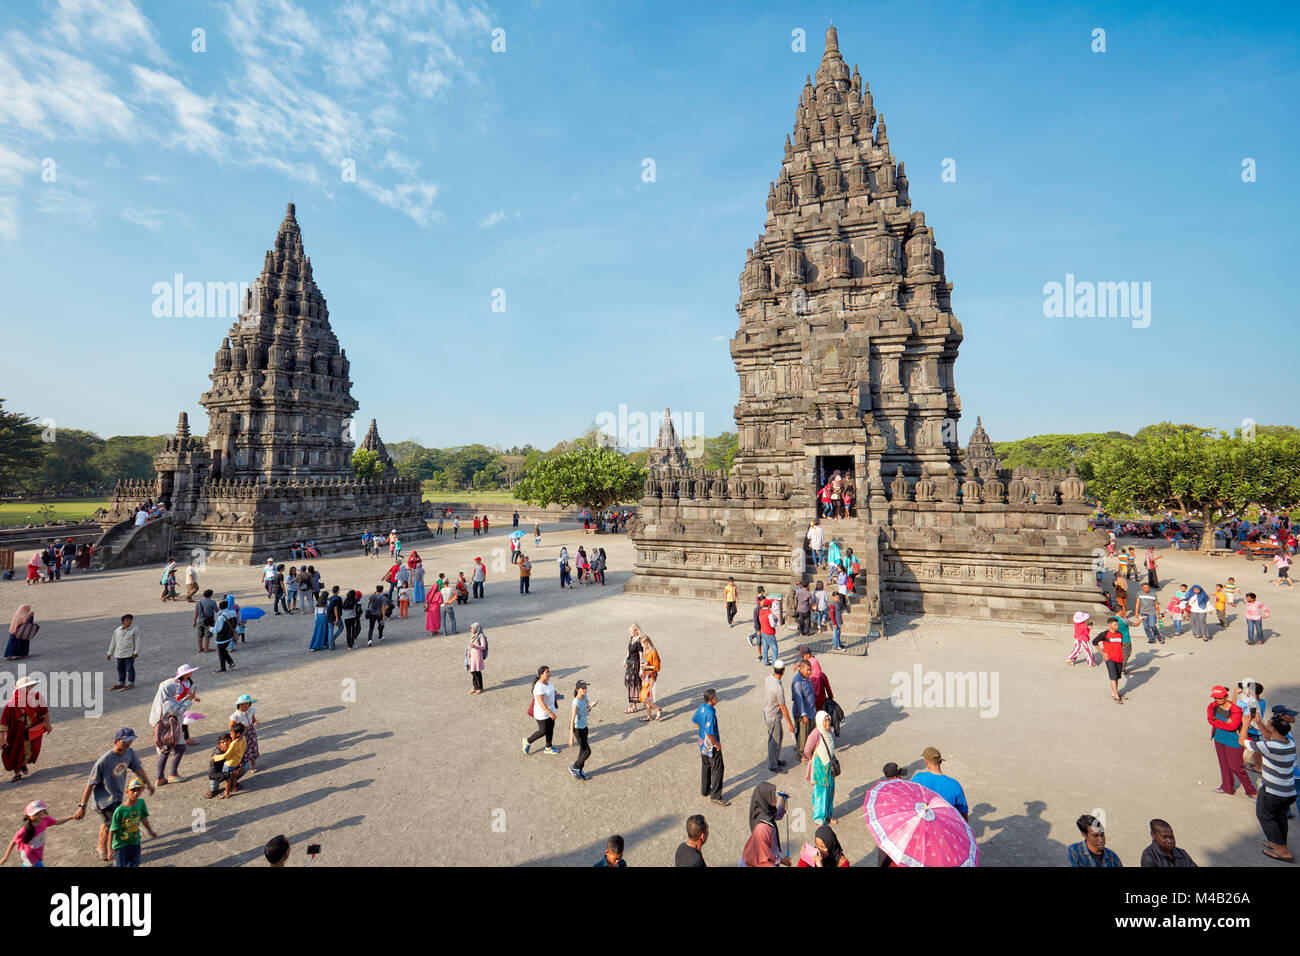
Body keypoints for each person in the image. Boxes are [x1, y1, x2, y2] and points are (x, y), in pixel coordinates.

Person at [74, 728, 155, 863]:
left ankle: (110, 845)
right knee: (111, 823)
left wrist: (148, 783)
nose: (129, 743)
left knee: (111, 822)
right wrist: (82, 806)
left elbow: (137, 768)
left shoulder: (129, 752)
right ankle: (102, 847)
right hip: (104, 800)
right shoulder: (104, 761)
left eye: (131, 740)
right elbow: (90, 784)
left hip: (117, 796)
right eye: (126, 741)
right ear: (116, 742)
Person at [1247, 705, 1298, 862]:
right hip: (1288, 792)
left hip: (1272, 791)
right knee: (1280, 817)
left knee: (1264, 816)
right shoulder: (1289, 743)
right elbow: (1270, 736)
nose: (1267, 723)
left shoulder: (1268, 746)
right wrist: (1260, 723)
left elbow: (1243, 741)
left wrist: (1246, 721)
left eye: (1269, 723)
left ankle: (1282, 850)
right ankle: (1279, 843)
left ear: (1274, 730)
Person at [1207, 686, 1255, 797]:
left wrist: (1217, 721)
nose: (1217, 700)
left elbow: (1232, 727)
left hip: (1233, 742)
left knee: (1236, 767)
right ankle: (1227, 787)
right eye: (1215, 698)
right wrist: (1224, 723)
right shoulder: (1212, 706)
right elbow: (1210, 720)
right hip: (1219, 739)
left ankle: (1251, 791)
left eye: (1220, 698)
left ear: (1226, 696)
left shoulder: (1236, 709)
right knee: (1223, 764)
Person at [0, 676, 50, 783]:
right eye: (26, 687)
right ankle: (17, 773)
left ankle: (23, 765)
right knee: (16, 752)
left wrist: (48, 725)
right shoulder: (11, 705)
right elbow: (4, 723)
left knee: (31, 751)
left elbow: (44, 712)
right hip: (17, 735)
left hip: (33, 731)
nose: (29, 688)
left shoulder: (36, 698)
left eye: (30, 686)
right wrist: (2, 739)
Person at [0, 800, 74, 867]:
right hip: (28, 854)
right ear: (29, 816)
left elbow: (58, 822)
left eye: (39, 812)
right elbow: (13, 842)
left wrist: (71, 817)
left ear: (43, 811)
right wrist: (5, 857)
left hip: (37, 851)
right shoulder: (24, 830)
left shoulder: (46, 820)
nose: (38, 815)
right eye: (35, 813)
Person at [911, 747, 969, 820]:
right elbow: (963, 812)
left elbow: (909, 798)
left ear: (926, 762)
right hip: (946, 826)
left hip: (923, 823)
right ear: (940, 762)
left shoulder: (918, 778)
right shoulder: (954, 785)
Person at [109, 778, 156, 867]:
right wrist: (109, 849)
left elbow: (143, 818)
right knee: (120, 865)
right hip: (120, 844)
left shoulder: (141, 803)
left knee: (134, 863)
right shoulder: (120, 810)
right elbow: (112, 829)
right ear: (127, 791)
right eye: (133, 790)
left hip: (134, 841)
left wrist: (150, 831)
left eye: (139, 790)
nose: (136, 793)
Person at [692, 689, 727, 806]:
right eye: (715, 697)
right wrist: (717, 744)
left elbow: (695, 720)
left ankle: (705, 789)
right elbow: (710, 733)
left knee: (706, 766)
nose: (717, 698)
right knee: (718, 768)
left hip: (702, 743)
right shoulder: (711, 714)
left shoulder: (701, 707)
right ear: (711, 699)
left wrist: (700, 731)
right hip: (711, 745)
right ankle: (716, 796)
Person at [741, 782, 790, 866]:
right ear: (765, 798)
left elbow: (777, 815)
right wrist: (782, 860)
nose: (775, 798)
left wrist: (784, 799)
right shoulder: (763, 828)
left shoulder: (763, 811)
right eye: (773, 796)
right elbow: (767, 859)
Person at [763, 661, 795, 772]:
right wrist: (790, 723)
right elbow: (783, 707)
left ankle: (775, 760)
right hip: (773, 716)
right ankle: (772, 764)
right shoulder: (778, 689)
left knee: (777, 737)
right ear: (783, 671)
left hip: (768, 713)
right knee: (774, 741)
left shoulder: (768, 679)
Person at [523, 665, 560, 756]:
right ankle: (527, 741)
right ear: (541, 674)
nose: (549, 674)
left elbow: (552, 690)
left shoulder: (548, 682)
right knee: (543, 731)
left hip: (551, 709)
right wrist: (550, 712)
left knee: (550, 728)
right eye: (546, 672)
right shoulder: (539, 687)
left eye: (549, 672)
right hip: (542, 713)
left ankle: (548, 747)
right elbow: (541, 702)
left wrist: (556, 694)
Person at [809, 711, 837, 825]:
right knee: (820, 792)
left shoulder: (829, 732)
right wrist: (815, 760)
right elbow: (807, 750)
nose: (827, 722)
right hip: (819, 768)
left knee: (830, 791)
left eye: (828, 720)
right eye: (825, 720)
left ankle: (829, 814)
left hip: (829, 767)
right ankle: (819, 818)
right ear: (820, 721)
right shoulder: (815, 734)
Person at [1091, 618, 1127, 702]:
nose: (1117, 626)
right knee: (1113, 677)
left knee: (1117, 677)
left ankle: (1114, 692)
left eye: (1117, 625)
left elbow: (1120, 645)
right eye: (1115, 625)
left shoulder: (1120, 634)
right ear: (1109, 625)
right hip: (1110, 658)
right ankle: (1116, 696)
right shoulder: (1105, 634)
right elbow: (1094, 642)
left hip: (1119, 658)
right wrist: (1103, 653)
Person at [568, 680, 595, 780]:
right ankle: (574, 767)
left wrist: (591, 706)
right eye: (582, 688)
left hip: (584, 727)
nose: (585, 690)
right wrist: (571, 737)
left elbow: (586, 710)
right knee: (587, 751)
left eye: (585, 687)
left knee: (582, 750)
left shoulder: (585, 697)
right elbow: (572, 720)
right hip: (577, 729)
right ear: (577, 690)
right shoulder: (576, 702)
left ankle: (579, 770)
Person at [106, 614, 140, 691]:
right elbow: (113, 642)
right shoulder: (117, 630)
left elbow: (137, 641)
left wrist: (136, 652)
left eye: (130, 620)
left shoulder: (135, 629)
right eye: (127, 620)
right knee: (120, 669)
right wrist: (109, 653)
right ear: (123, 621)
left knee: (130, 668)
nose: (129, 621)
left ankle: (131, 683)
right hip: (119, 653)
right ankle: (121, 683)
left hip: (129, 653)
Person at [790, 660, 816, 761]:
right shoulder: (798, 682)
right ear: (801, 669)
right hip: (803, 713)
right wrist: (803, 714)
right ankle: (801, 755)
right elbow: (799, 699)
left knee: (809, 733)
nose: (809, 672)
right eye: (807, 670)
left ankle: (807, 750)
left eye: (810, 670)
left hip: (811, 711)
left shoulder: (806, 678)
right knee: (803, 734)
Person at [230, 694, 260, 772]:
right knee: (243, 750)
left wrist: (255, 721)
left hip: (251, 732)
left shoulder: (251, 710)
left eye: (247, 703)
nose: (245, 705)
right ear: (239, 705)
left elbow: (253, 719)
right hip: (242, 734)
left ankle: (253, 765)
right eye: (243, 704)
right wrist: (240, 727)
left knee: (253, 748)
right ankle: (241, 766)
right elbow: (231, 727)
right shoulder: (236, 715)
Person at [639, 635, 662, 721]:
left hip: (651, 676)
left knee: (645, 696)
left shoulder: (653, 652)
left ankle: (657, 709)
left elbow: (657, 667)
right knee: (644, 696)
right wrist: (642, 667)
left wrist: (647, 666)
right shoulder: (646, 651)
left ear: (646, 643)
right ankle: (649, 716)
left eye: (642, 644)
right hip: (646, 675)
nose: (641, 646)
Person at [624, 625, 643, 714]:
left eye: (630, 631)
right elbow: (629, 651)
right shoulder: (632, 638)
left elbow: (641, 655)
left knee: (634, 684)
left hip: (635, 665)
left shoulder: (639, 641)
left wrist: (641, 668)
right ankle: (635, 702)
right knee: (628, 682)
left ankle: (634, 706)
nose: (629, 632)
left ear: (635, 631)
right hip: (629, 663)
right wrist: (625, 660)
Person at [466, 623, 487, 694]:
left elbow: (483, 646)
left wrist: (475, 646)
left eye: (472, 628)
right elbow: (470, 645)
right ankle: (475, 687)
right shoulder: (472, 636)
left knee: (477, 672)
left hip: (477, 656)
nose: (471, 630)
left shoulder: (481, 636)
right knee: (472, 672)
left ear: (476, 629)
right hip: (472, 656)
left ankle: (480, 687)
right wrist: (468, 651)